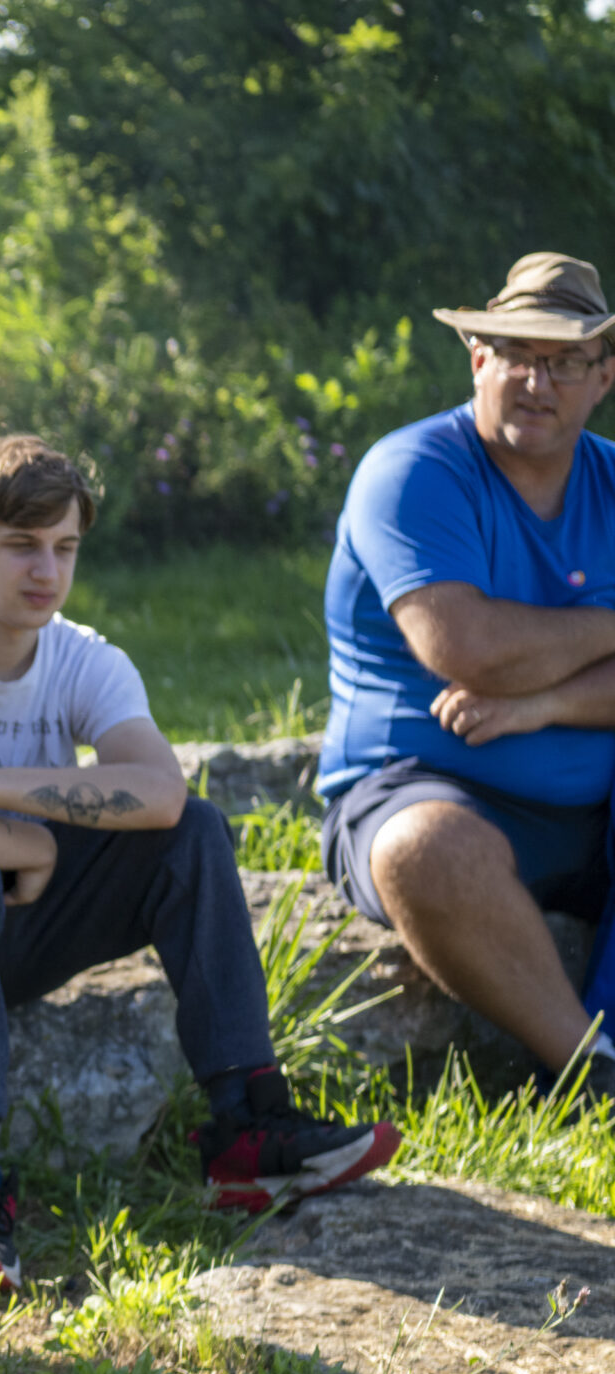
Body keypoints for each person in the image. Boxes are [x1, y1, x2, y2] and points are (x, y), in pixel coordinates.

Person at [0, 435, 398, 1289]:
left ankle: (248, 1126)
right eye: (22, 546)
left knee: (196, 835)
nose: (48, 570)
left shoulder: (79, 654)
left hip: (7, 925)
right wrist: (31, 843)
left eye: (65, 547)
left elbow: (160, 792)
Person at [320, 252, 615, 1086]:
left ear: (604, 377)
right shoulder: (413, 471)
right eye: (516, 354)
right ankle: (590, 1075)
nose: (537, 381)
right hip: (415, 784)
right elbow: (469, 650)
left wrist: (546, 702)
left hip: (593, 810)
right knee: (427, 847)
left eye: (564, 361)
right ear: (478, 360)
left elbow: (509, 677)